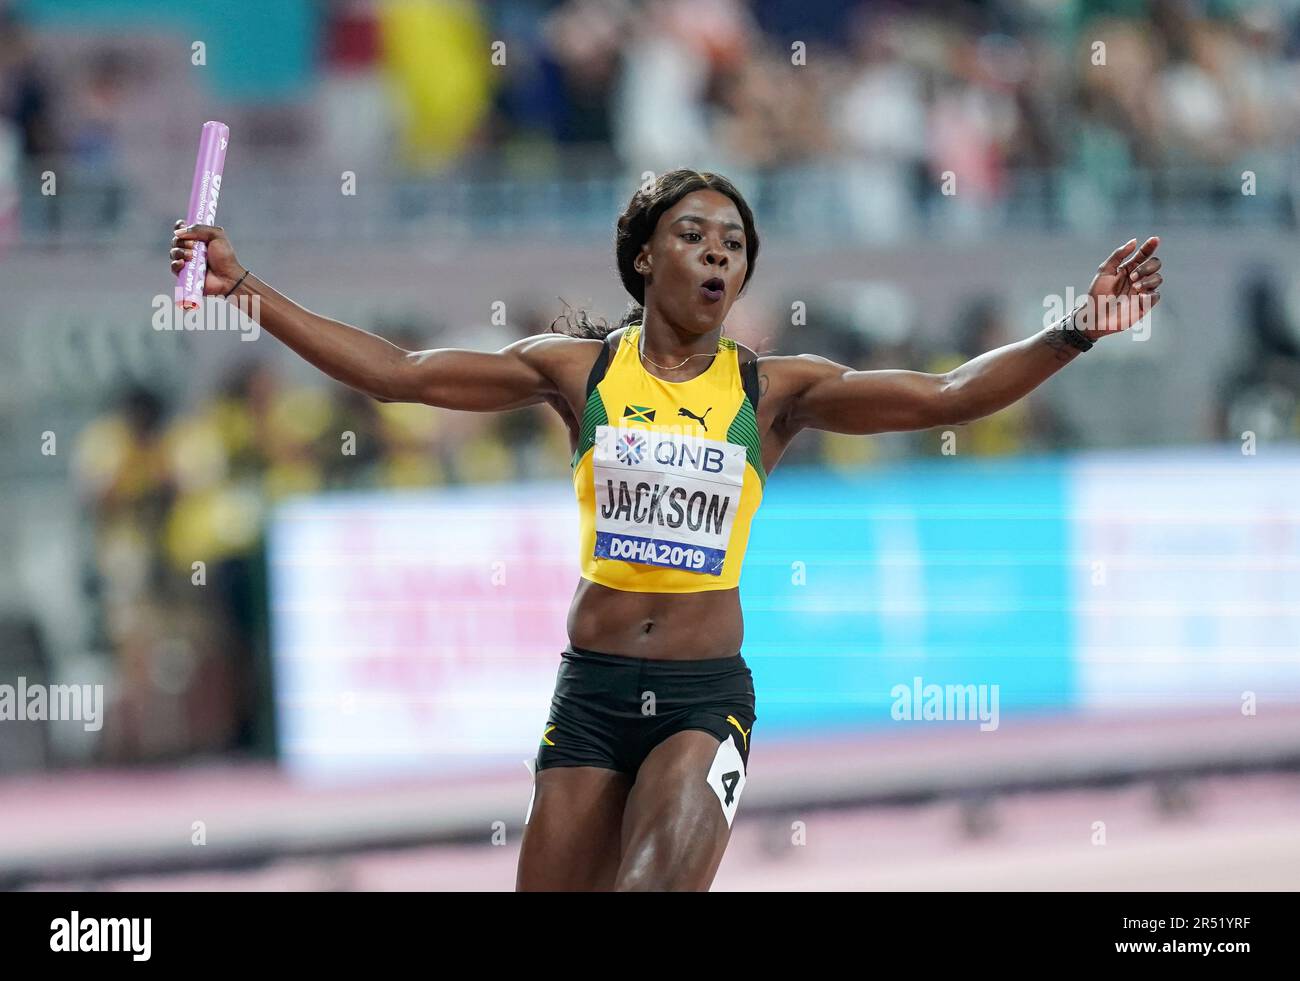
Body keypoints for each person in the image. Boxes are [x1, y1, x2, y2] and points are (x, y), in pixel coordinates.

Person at [170, 169, 1163, 891]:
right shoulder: (578, 371)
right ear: (647, 258)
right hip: (592, 694)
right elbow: (399, 374)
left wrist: (1073, 329)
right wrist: (243, 287)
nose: (719, 252)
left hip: (702, 698)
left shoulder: (775, 393)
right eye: (695, 234)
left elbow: (946, 394)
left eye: (734, 242)